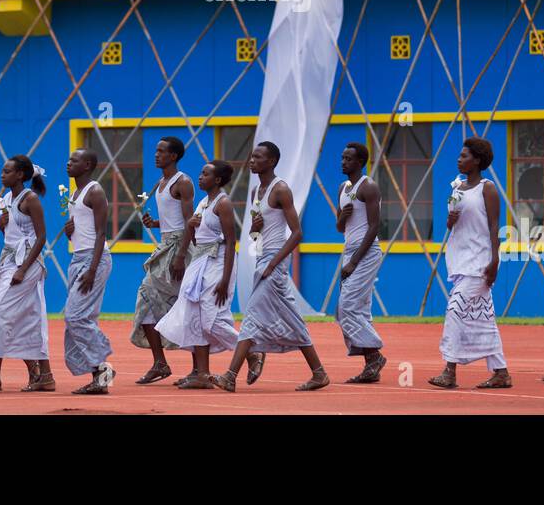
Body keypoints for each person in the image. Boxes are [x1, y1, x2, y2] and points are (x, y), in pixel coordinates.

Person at [213, 141, 329, 392]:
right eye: (252, 156)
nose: (251, 160)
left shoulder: (281, 190)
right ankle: (319, 373)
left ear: (272, 162)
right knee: (292, 319)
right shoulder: (257, 191)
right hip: (263, 258)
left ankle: (230, 375)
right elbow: (258, 237)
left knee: (252, 315)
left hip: (275, 262)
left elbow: (297, 233)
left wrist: (274, 265)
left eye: (257, 157)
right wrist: (255, 232)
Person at [429, 136, 512, 390]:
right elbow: (451, 226)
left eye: (464, 156)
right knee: (484, 318)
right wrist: (450, 219)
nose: (459, 159)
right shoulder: (456, 189)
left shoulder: (487, 188)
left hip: (479, 263)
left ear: (477, 161)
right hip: (459, 261)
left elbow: (494, 226)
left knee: (455, 310)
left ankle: (449, 371)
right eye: (460, 155)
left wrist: (495, 260)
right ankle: (501, 373)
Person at [155, 160, 239, 388]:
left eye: (205, 174)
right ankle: (202, 374)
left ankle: (248, 350)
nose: (200, 177)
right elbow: (197, 239)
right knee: (193, 315)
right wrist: (191, 226)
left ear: (218, 180)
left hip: (218, 262)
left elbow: (231, 242)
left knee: (211, 319)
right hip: (200, 262)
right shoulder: (203, 203)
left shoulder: (223, 204)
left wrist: (225, 280)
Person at [0, 154, 55, 391]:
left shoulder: (30, 198)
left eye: (7, 171)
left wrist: (23, 270)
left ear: (20, 175)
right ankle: (44, 375)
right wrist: (4, 227)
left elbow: (41, 237)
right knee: (31, 318)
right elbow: (14, 238)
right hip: (10, 262)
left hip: (26, 265)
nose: (2, 175)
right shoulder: (8, 199)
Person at [131, 136, 195, 384]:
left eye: (161, 151)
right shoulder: (161, 183)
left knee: (188, 307)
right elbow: (172, 220)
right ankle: (160, 363)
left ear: (174, 156)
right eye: (156, 150)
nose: (156, 155)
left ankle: (199, 368)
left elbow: (189, 223)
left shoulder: (184, 183)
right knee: (146, 299)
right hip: (165, 246)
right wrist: (155, 223)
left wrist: (180, 255)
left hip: (180, 249)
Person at [62, 148, 115, 394]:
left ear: (87, 165)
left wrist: (92, 269)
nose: (69, 162)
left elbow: (102, 233)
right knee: (80, 318)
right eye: (69, 158)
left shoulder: (95, 191)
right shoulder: (75, 193)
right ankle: (100, 377)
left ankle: (103, 367)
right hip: (78, 257)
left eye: (74, 160)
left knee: (75, 316)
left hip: (95, 260)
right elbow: (82, 231)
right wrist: (69, 231)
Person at [334, 142, 386, 383]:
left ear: (360, 162)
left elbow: (374, 226)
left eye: (348, 159)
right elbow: (340, 228)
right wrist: (341, 218)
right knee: (357, 308)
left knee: (347, 306)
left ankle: (374, 354)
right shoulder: (342, 188)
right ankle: (370, 363)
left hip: (366, 253)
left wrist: (354, 262)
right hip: (349, 251)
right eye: (342, 158)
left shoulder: (369, 187)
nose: (343, 162)